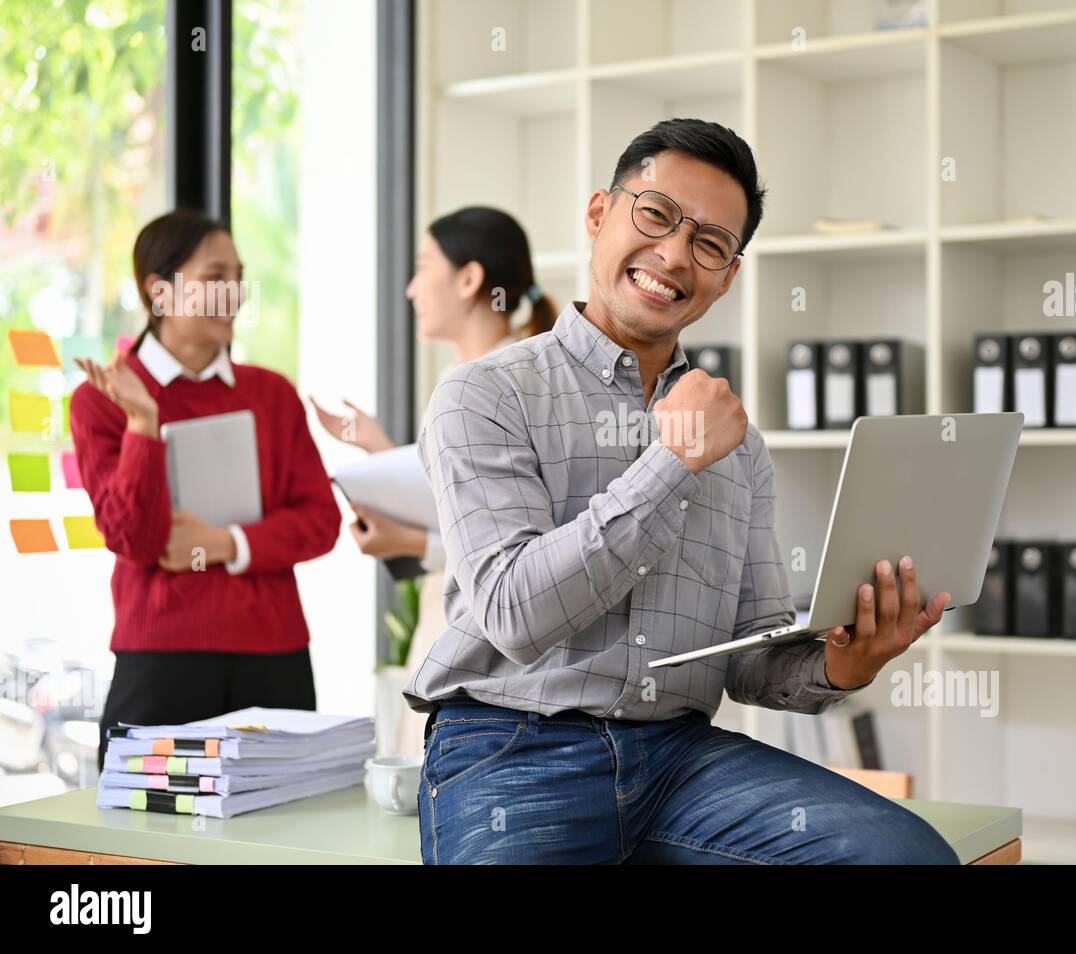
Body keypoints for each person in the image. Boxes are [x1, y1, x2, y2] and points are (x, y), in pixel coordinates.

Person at [407, 118, 960, 864]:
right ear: (601, 214)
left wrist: (842, 665)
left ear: (727, 275)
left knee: (902, 855)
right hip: (513, 745)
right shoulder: (485, 394)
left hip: (679, 758)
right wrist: (674, 462)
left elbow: (751, 657)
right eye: (657, 215)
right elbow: (513, 614)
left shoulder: (742, 446)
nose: (674, 255)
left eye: (710, 244)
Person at [71, 209, 341, 772]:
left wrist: (226, 543)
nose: (235, 293)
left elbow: (320, 521)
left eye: (238, 276)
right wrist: (144, 426)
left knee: (275, 840)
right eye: (216, 276)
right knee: (142, 840)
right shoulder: (102, 401)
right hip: (161, 658)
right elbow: (133, 539)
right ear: (159, 290)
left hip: (275, 655)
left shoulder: (271, 394)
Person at [308, 207, 556, 757]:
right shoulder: (465, 378)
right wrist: (380, 450)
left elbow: (520, 547)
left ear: (469, 280)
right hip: (452, 627)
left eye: (423, 267)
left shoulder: (505, 380)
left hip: (489, 644)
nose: (411, 287)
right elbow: (463, 504)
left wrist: (409, 544)